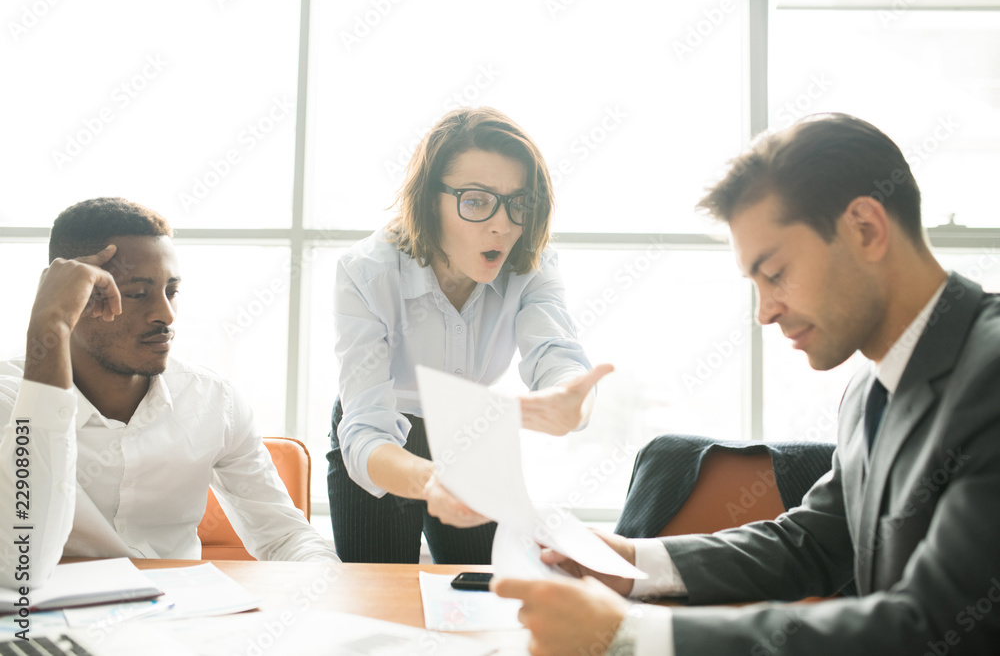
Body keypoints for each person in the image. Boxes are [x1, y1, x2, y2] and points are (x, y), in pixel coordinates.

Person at [492, 113, 1000, 655]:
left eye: (776, 273)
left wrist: (631, 636)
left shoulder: (988, 375)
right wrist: (628, 564)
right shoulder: (870, 389)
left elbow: (937, 624)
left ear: (866, 229)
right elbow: (811, 543)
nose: (766, 312)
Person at [1, 198, 339, 591]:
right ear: (70, 295)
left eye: (171, 290)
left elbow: (285, 538)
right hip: (52, 633)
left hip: (180, 624)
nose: (165, 314)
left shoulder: (216, 402)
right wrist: (49, 324)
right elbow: (22, 563)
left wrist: (327, 589)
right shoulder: (10, 400)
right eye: (137, 293)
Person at [328, 106, 611, 564]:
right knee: (378, 599)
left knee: (486, 591)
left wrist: (570, 401)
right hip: (382, 434)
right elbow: (364, 429)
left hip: (472, 426)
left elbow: (557, 356)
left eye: (518, 202)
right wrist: (431, 479)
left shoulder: (532, 265)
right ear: (428, 202)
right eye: (477, 201)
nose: (503, 225)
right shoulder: (367, 272)